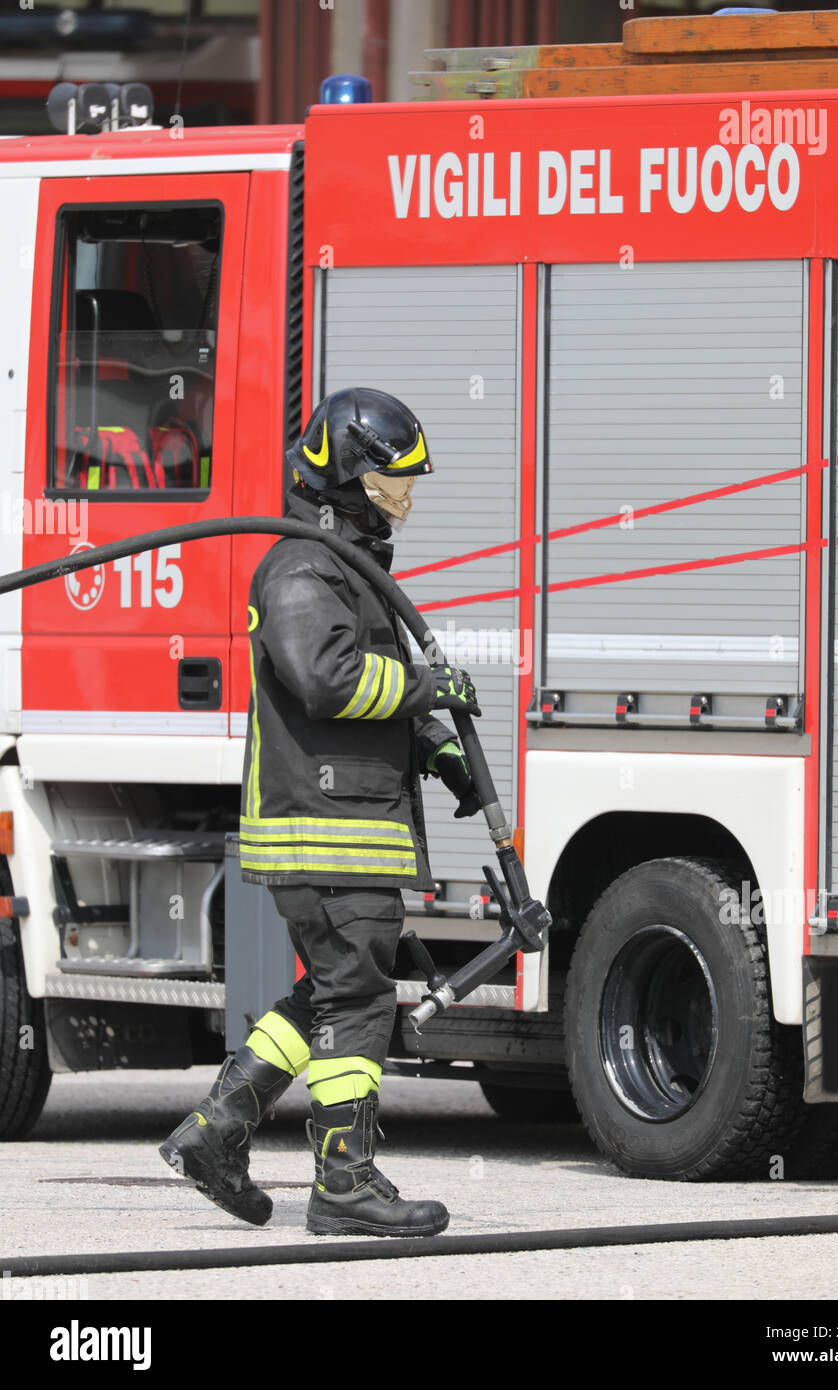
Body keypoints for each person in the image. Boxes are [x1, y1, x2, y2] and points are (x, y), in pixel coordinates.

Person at [160, 387, 482, 1238]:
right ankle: (344, 1181)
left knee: (337, 990)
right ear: (343, 476)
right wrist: (426, 688)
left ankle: (218, 1128)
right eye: (387, 485)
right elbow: (325, 680)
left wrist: (433, 746)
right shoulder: (303, 568)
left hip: (343, 816)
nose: (402, 501)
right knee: (362, 1000)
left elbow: (352, 691)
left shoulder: (341, 564)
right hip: (329, 824)